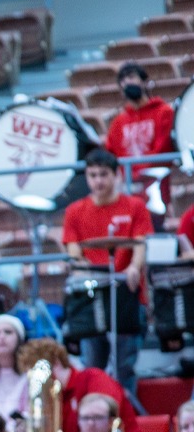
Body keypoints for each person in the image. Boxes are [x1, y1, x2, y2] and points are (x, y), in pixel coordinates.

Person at [63, 148, 153, 400]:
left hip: (126, 294)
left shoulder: (134, 206)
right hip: (92, 295)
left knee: (125, 364)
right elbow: (73, 249)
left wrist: (134, 267)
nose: (98, 181)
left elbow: (141, 243)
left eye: (103, 174)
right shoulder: (75, 211)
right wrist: (79, 268)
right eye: (92, 175)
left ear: (116, 175)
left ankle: (125, 409)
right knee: (92, 365)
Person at [15, 337, 129, 432]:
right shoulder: (53, 398)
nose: (36, 384)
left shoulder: (94, 379)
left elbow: (101, 425)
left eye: (37, 377)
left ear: (56, 363)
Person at [104, 62, 175, 220]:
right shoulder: (118, 122)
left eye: (131, 77)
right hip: (128, 190)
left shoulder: (164, 112)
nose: (127, 82)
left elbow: (163, 149)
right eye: (122, 80)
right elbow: (110, 155)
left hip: (155, 187)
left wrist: (135, 172)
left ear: (144, 82)